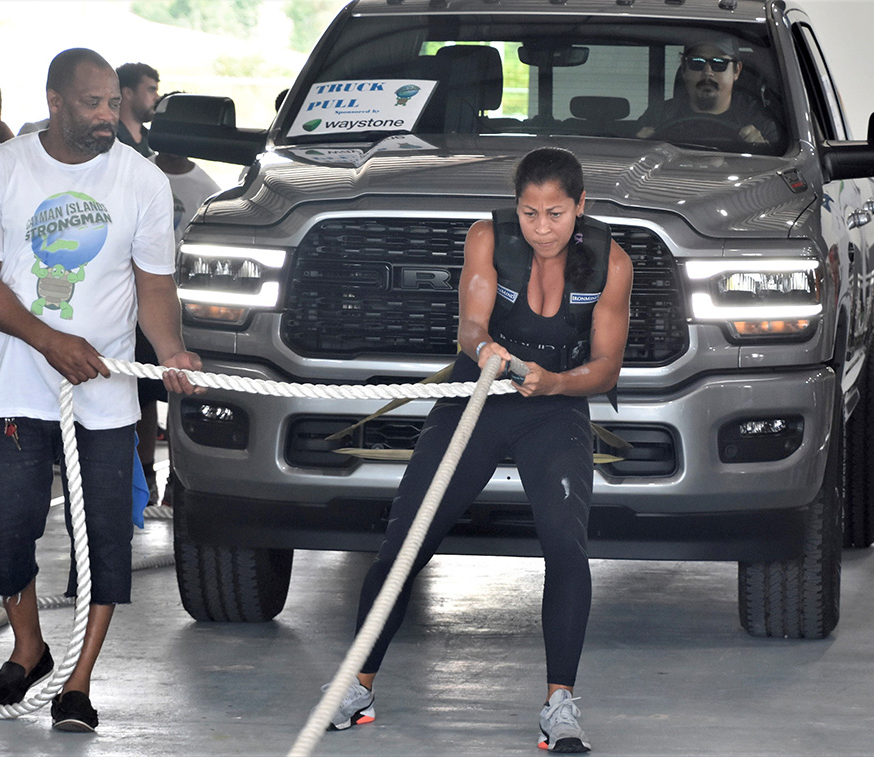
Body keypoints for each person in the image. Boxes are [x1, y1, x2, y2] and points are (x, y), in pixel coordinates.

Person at [329, 147, 632, 753]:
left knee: (566, 547)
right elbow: (470, 327)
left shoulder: (611, 262)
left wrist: (554, 382)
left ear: (580, 208)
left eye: (555, 214)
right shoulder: (487, 238)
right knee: (407, 537)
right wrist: (489, 349)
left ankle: (559, 704)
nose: (541, 229)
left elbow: (605, 369)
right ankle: (356, 686)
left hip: (555, 404)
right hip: (481, 392)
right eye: (529, 213)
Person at [0, 47, 202, 732]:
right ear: (55, 102)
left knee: (102, 544)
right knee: (4, 530)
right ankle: (29, 647)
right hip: (17, 389)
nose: (106, 115)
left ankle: (78, 681)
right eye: (91, 103)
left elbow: (154, 287)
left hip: (105, 393)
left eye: (112, 102)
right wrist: (49, 341)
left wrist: (172, 346)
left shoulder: (142, 181)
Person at [113, 62, 163, 502]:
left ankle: (144, 470)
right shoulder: (108, 143)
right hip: (106, 290)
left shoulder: (152, 149)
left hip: (141, 291)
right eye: (150, 89)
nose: (156, 98)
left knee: (145, 388)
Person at [636, 37, 780, 147]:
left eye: (719, 63)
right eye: (697, 62)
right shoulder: (657, 115)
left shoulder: (760, 121)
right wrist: (637, 144)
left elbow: (780, 167)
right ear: (684, 69)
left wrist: (762, 148)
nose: (707, 72)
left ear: (736, 71)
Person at [115, 62, 159, 157]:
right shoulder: (110, 139)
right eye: (151, 90)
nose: (157, 97)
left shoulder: (150, 140)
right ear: (128, 93)